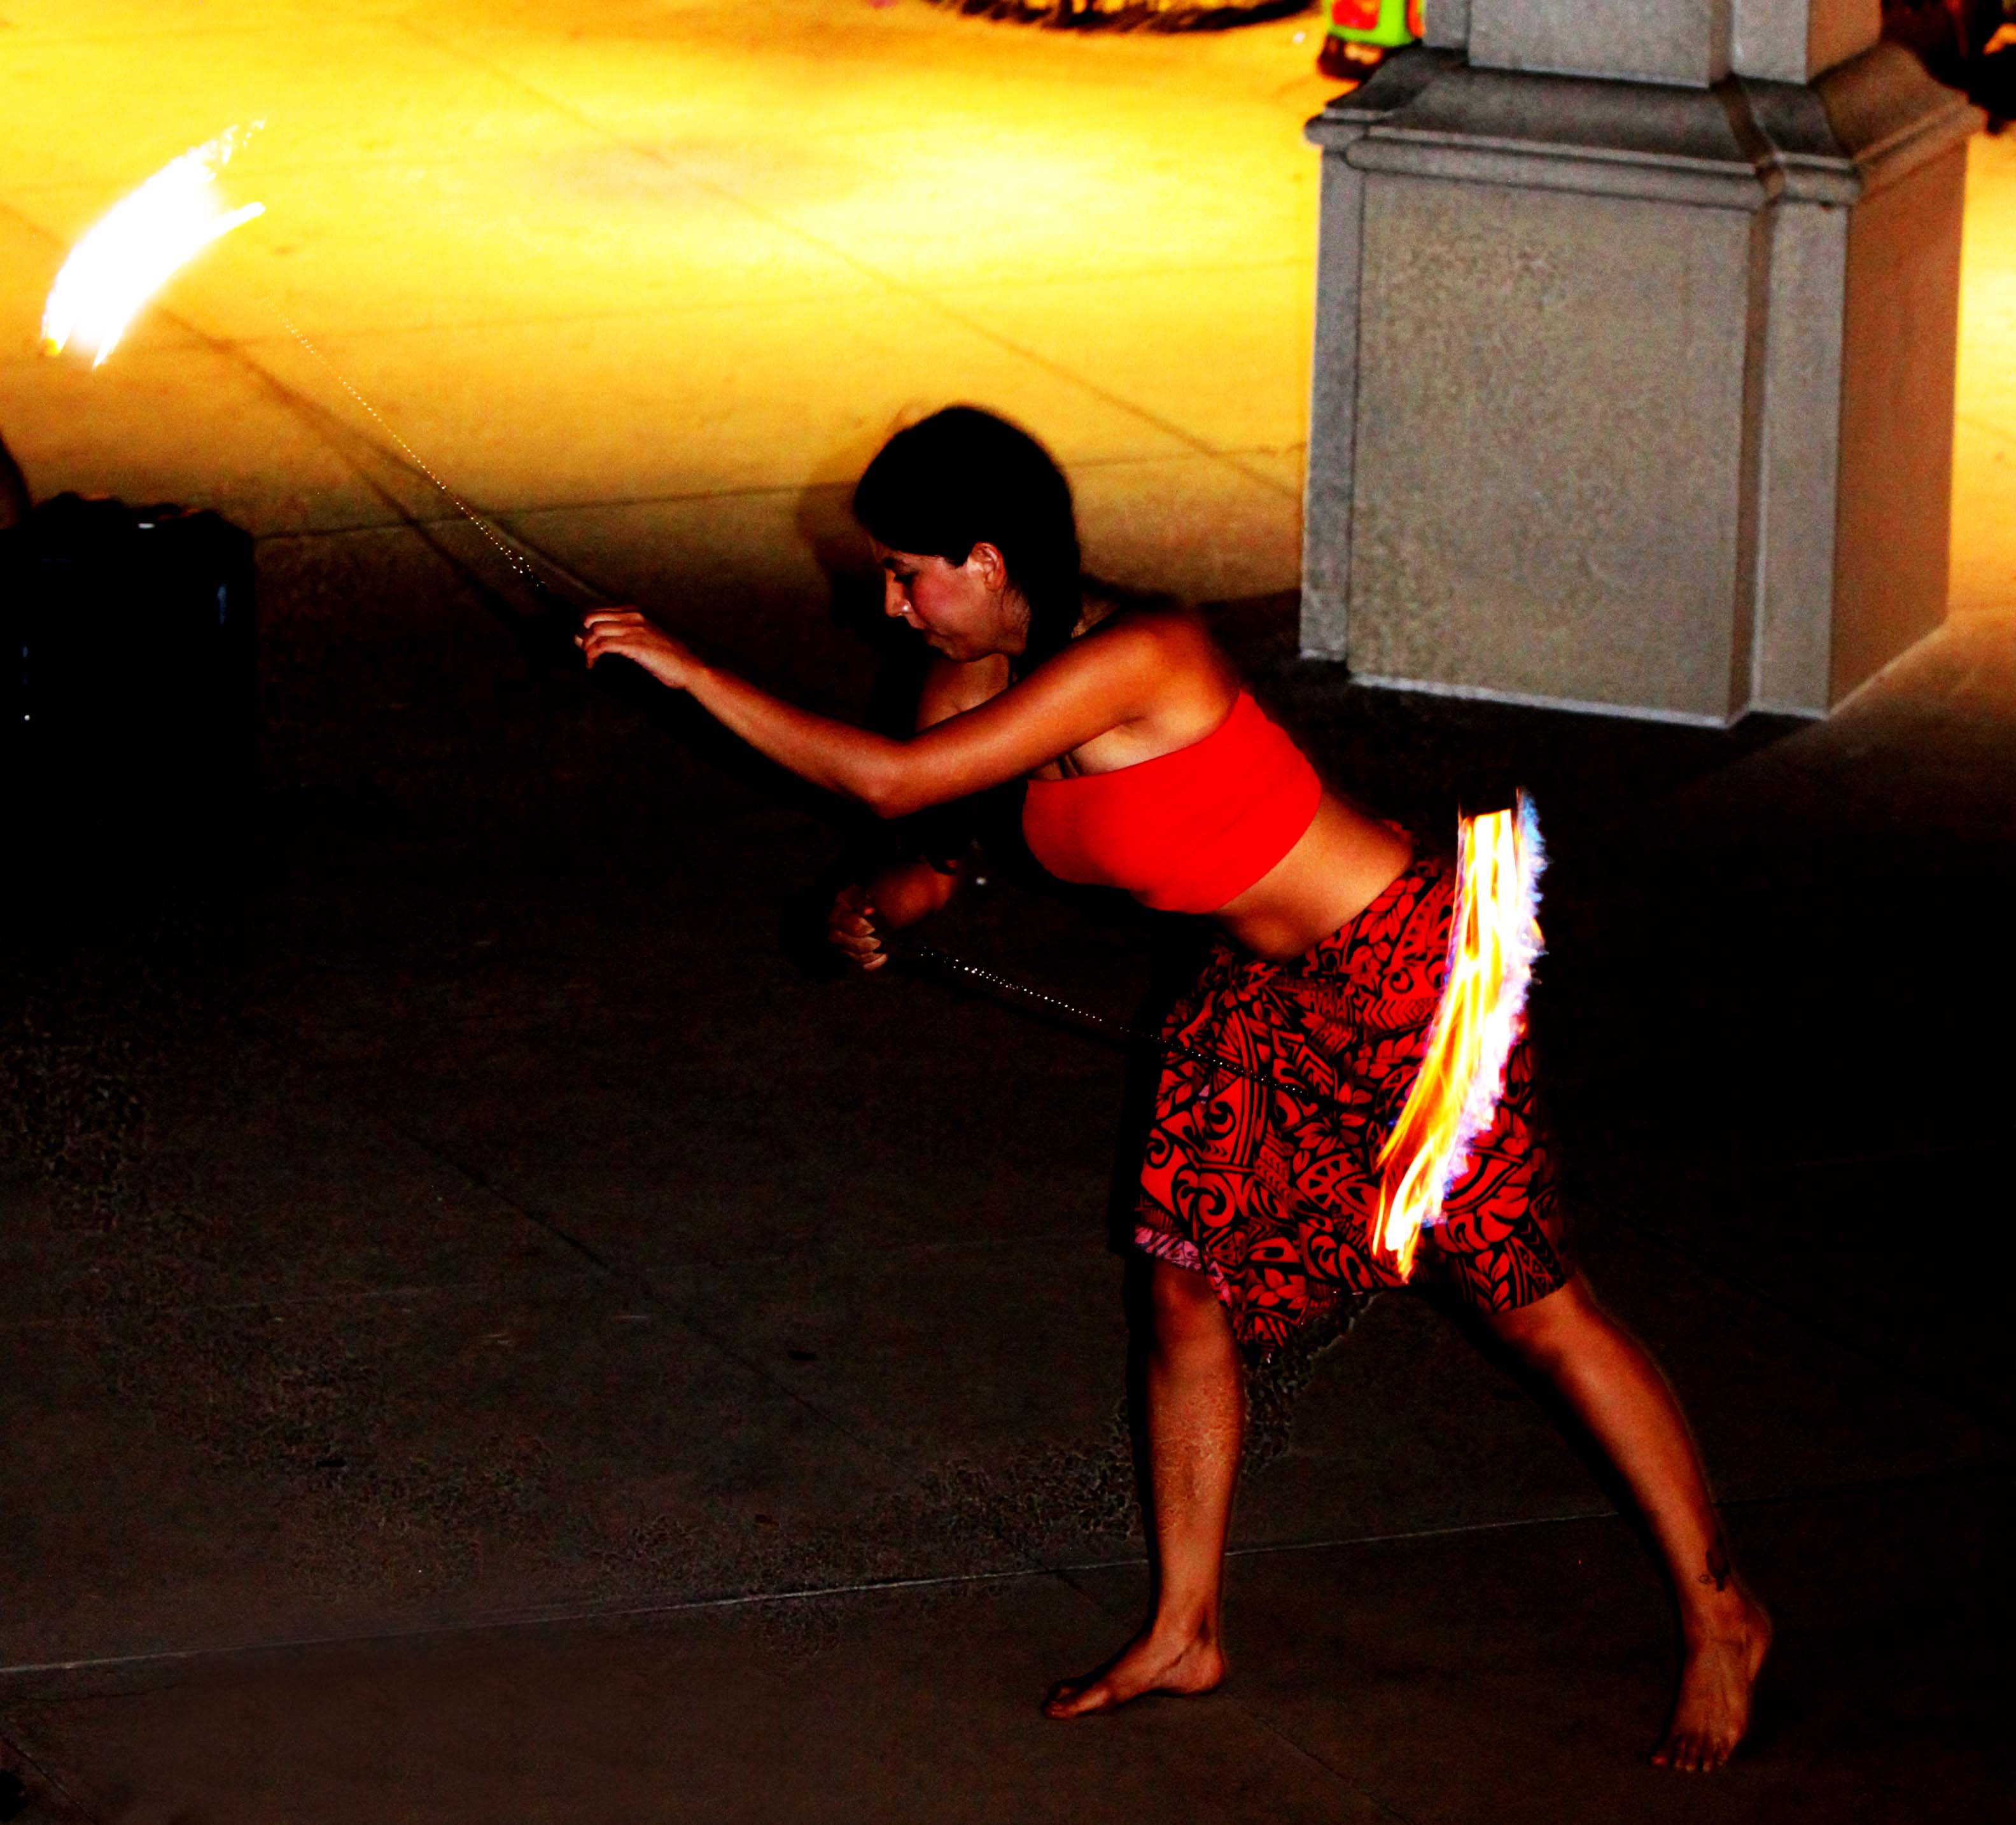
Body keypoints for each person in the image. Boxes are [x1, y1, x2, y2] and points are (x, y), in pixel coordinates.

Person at [577, 405, 1770, 1773]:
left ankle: (1721, 1608)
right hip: (1263, 995)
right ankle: (1185, 1629)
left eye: (911, 574)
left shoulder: (1149, 656)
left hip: (1413, 974)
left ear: (990, 554)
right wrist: (875, 912)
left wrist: (685, 671)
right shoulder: (977, 691)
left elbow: (885, 776)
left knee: (1533, 1312)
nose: (891, 604)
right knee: (1181, 1285)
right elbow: (953, 842)